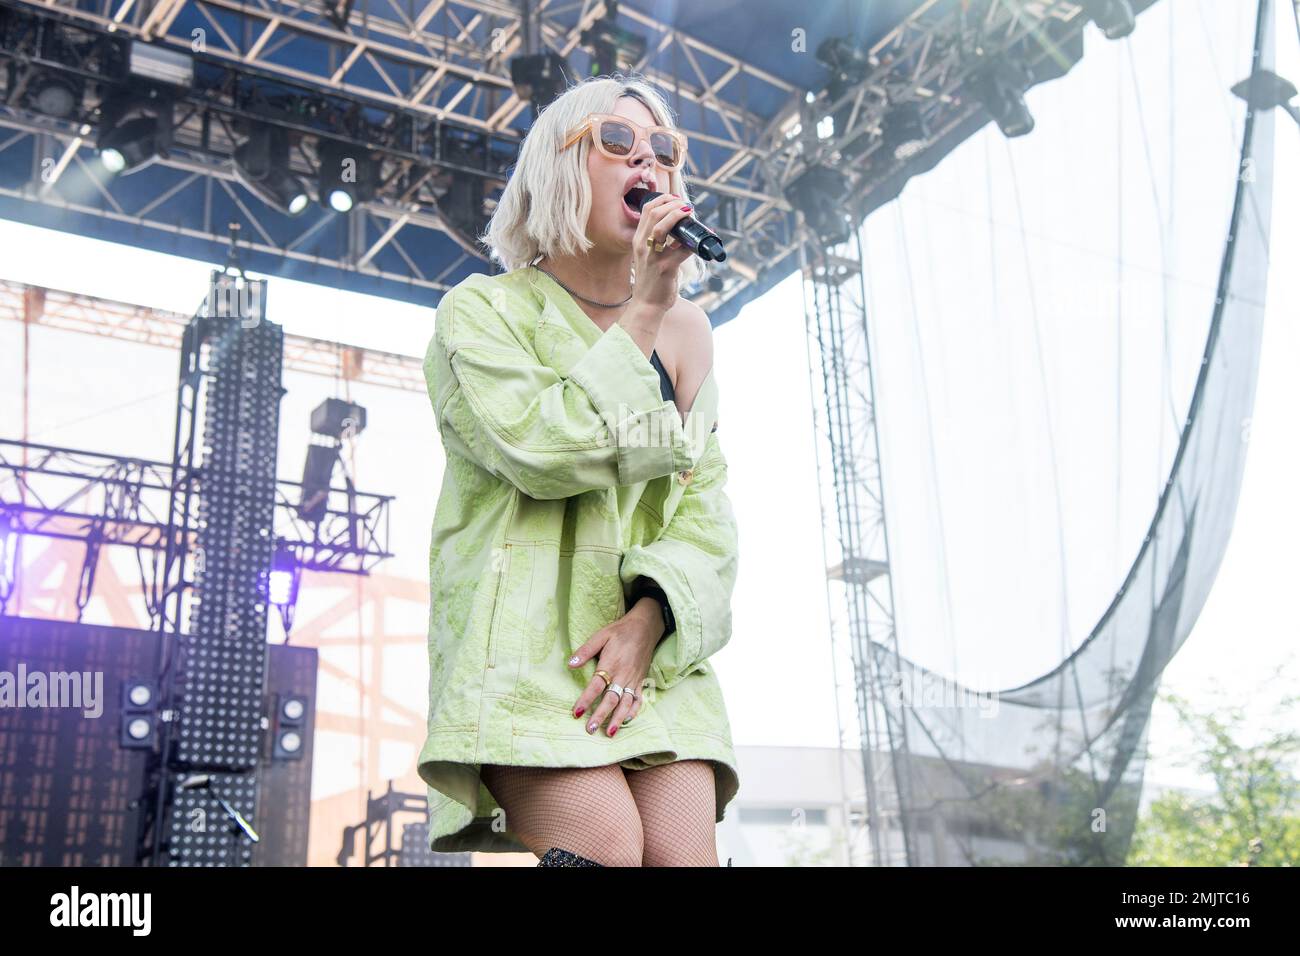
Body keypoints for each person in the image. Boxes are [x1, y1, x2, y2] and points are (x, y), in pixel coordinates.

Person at [417, 73, 740, 867]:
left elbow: (706, 512)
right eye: (619, 142)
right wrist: (644, 311)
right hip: (529, 651)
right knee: (607, 848)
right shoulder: (483, 313)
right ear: (557, 166)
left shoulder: (690, 332)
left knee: (679, 855)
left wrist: (649, 620)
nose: (650, 164)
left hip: (652, 657)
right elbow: (544, 451)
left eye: (665, 150)